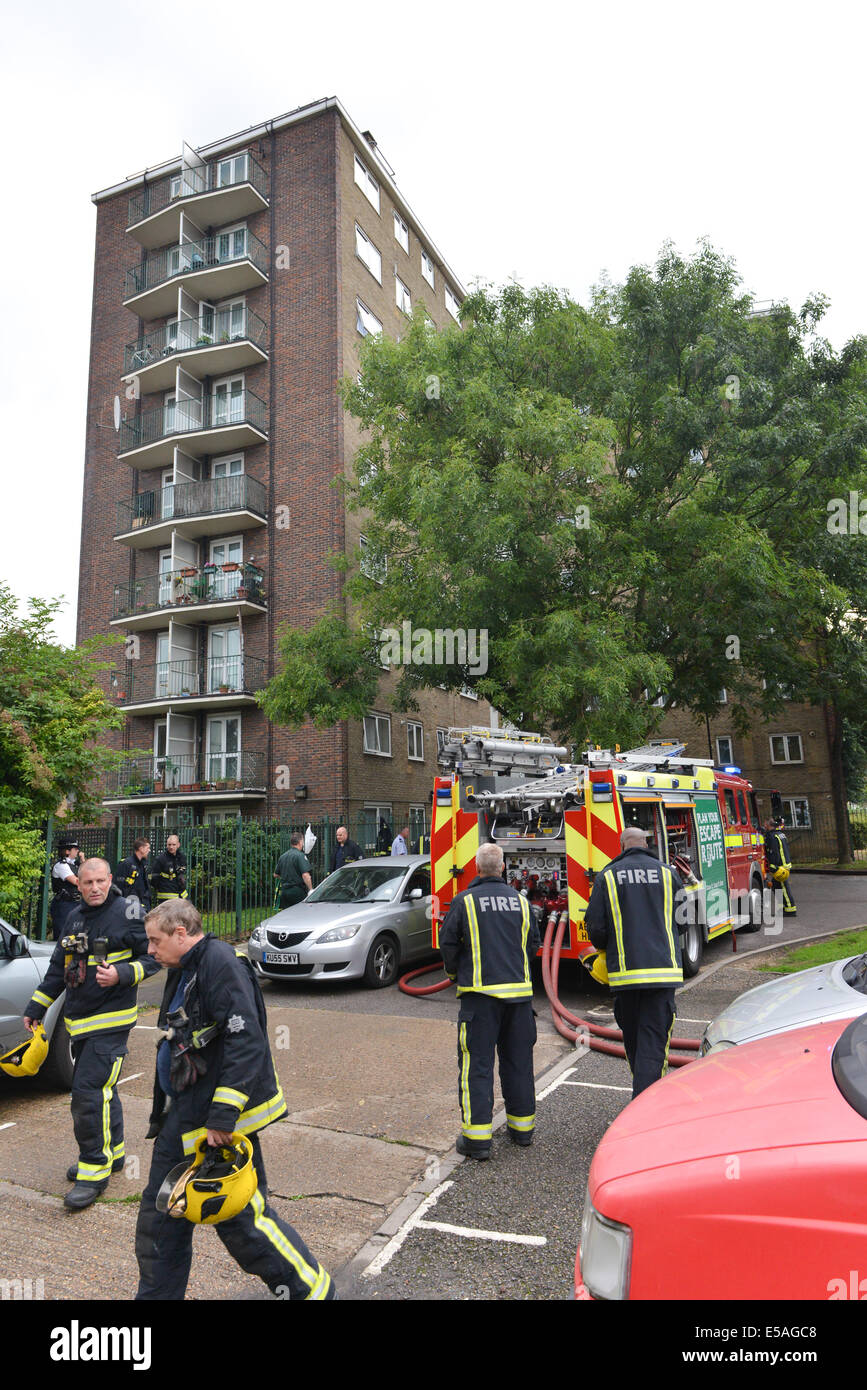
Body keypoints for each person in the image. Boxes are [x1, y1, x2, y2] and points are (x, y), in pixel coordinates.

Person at [135, 899, 334, 1300]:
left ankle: (311, 1291)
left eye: (155, 941)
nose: (150, 950)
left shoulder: (220, 964)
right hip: (188, 1117)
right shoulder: (186, 966)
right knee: (162, 1218)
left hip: (214, 1125)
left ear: (180, 933)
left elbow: (246, 1042)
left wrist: (223, 1117)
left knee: (240, 1221)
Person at [22, 858, 161, 1209]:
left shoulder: (128, 912)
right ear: (78, 885)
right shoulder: (74, 916)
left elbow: (155, 956)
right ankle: (113, 1156)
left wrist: (123, 974)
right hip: (80, 1024)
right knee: (103, 1093)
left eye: (100, 881)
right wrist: (36, 1008)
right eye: (88, 883)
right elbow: (58, 968)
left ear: (110, 879)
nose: (95, 887)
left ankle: (94, 1170)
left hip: (111, 1023)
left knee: (86, 1094)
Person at [439, 841, 540, 1159]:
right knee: (519, 1065)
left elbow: (448, 946)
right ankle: (522, 1131)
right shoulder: (522, 902)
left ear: (477, 868)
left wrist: (456, 975)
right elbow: (533, 945)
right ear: (503, 869)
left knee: (477, 1067)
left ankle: (478, 1141)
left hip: (480, 999)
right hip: (520, 1000)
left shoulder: (464, 901)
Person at [585, 826, 683, 1100]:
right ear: (646, 843)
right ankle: (646, 1105)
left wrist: (609, 947)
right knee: (654, 1044)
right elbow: (686, 920)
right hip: (663, 974)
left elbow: (596, 930)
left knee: (635, 1043)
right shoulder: (668, 873)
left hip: (625, 977)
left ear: (622, 846)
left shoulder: (607, 876)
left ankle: (642, 1104)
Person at [49, 837, 82, 941]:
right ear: (67, 851)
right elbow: (77, 882)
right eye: (75, 849)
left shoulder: (75, 865)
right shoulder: (61, 866)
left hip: (76, 903)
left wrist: (83, 861)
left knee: (76, 935)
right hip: (64, 904)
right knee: (63, 936)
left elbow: (88, 874)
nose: (78, 851)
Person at [764, 817, 797, 917]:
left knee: (783, 887)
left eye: (765, 824)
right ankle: (784, 907)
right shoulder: (780, 834)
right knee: (776, 886)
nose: (764, 826)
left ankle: (790, 909)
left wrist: (773, 866)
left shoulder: (772, 836)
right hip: (784, 864)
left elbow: (774, 852)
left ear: (769, 825)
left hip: (780, 867)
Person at [274, 832, 313, 909]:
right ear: (300, 842)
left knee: (287, 916)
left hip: (285, 891)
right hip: (297, 891)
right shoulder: (300, 856)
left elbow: (276, 875)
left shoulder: (283, 856)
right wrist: (311, 889)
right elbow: (305, 875)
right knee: (300, 915)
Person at [114, 838, 152, 911]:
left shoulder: (143, 864)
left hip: (143, 905)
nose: (149, 850)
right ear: (141, 849)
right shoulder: (126, 864)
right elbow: (118, 886)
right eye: (148, 848)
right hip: (129, 906)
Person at [149, 833, 187, 904]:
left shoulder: (182, 857)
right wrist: (162, 887)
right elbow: (154, 878)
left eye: (173, 844)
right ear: (166, 845)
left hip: (181, 894)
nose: (171, 847)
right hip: (166, 897)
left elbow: (182, 872)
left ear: (178, 845)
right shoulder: (160, 859)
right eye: (169, 845)